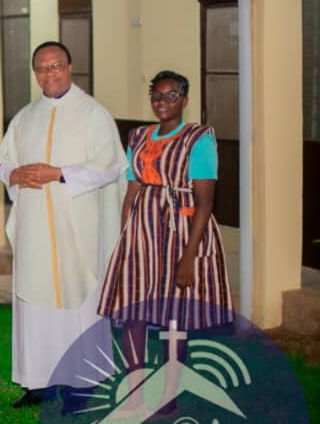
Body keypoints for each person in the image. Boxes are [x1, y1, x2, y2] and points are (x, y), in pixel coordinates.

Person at [0, 41, 126, 408]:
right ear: (35, 73)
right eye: (42, 68)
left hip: (77, 229)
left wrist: (59, 173)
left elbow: (109, 166)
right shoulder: (24, 118)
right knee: (34, 306)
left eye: (56, 66)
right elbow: (3, 163)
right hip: (36, 228)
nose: (49, 73)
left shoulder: (93, 114)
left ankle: (82, 383)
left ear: (70, 67)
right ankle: (36, 381)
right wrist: (16, 173)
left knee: (79, 304)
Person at [98, 70, 233, 368]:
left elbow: (205, 202)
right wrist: (125, 238)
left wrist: (188, 258)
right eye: (156, 95)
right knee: (134, 307)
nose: (162, 102)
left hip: (181, 232)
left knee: (174, 316)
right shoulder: (139, 136)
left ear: (184, 99)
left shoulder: (198, 139)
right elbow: (132, 190)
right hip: (141, 234)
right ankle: (135, 383)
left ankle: (169, 391)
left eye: (171, 95)